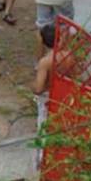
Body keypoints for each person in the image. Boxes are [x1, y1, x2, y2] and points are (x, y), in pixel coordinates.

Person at [33, 22, 56, 171]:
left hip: (47, 99)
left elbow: (39, 88)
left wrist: (32, 86)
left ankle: (42, 163)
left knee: (43, 129)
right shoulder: (69, 56)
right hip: (63, 97)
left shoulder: (46, 62)